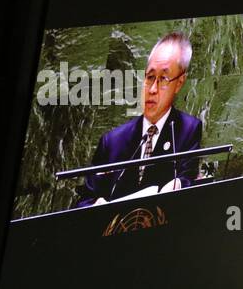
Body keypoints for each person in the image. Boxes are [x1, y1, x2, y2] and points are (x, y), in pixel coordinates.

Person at [75, 32, 204, 206]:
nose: (152, 89)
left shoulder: (188, 129)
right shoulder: (112, 141)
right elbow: (84, 200)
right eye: (150, 77)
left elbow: (190, 181)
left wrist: (180, 184)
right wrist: (95, 205)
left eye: (163, 79)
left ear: (179, 83)